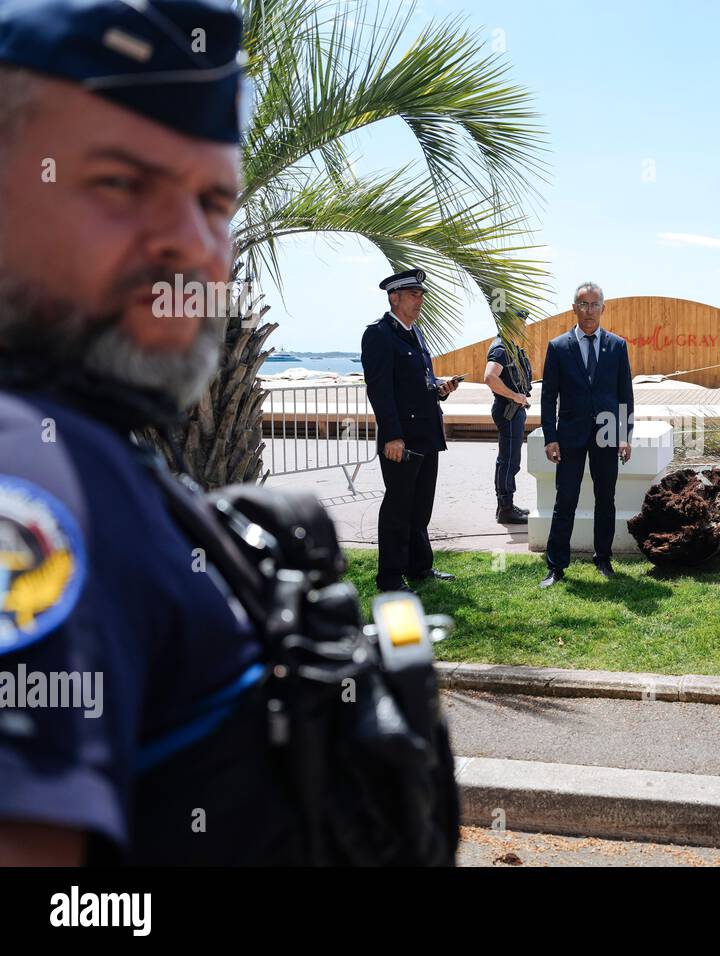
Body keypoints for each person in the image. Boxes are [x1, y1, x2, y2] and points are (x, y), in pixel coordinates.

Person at [0, 0, 457, 866]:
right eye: (120, 183)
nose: (191, 243)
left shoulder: (91, 456)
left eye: (215, 199)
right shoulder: (33, 488)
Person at [361, 269, 460, 591]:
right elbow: (380, 390)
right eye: (413, 295)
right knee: (398, 508)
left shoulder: (415, 334)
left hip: (426, 435)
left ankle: (419, 567)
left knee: (420, 507)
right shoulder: (379, 334)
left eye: (421, 295)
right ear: (394, 297)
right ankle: (389, 576)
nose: (419, 301)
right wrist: (391, 435)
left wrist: (439, 388)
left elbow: (416, 385)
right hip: (400, 439)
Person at [538, 282, 634, 588]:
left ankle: (603, 559)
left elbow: (625, 395)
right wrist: (550, 436)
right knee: (565, 499)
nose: (589, 310)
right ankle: (555, 567)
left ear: (603, 308)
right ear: (574, 308)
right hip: (569, 435)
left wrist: (625, 434)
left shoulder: (617, 346)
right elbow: (548, 396)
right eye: (583, 304)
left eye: (594, 305)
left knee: (605, 498)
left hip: (607, 434)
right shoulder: (558, 347)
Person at [484, 315, 533, 524]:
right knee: (509, 460)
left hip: (512, 410)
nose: (523, 325)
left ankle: (505, 505)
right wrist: (515, 396)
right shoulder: (501, 349)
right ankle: (505, 508)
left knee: (508, 459)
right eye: (519, 321)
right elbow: (489, 377)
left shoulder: (508, 346)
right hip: (509, 410)